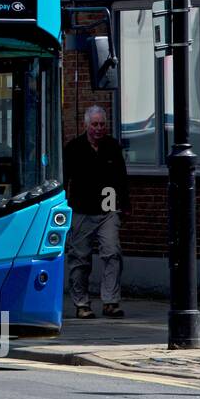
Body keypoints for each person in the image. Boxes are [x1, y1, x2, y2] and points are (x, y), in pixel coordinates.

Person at [63, 105, 129, 319]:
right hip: (81, 209)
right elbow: (64, 179)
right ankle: (82, 303)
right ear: (86, 125)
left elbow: (121, 177)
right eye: (95, 124)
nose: (99, 128)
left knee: (112, 252)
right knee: (80, 258)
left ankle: (111, 301)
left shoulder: (112, 146)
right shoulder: (73, 148)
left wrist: (125, 205)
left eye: (102, 124)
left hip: (108, 207)